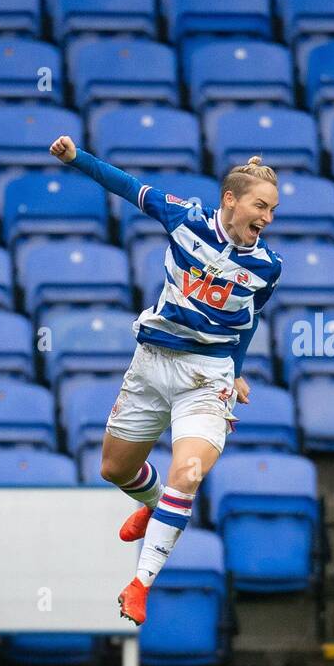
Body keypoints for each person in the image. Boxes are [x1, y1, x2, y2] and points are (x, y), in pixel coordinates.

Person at [49, 134, 282, 627]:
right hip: (151, 362)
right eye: (259, 206)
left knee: (188, 474)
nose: (266, 219)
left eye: (272, 211)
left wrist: (234, 373)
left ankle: (140, 584)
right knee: (114, 468)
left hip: (206, 377)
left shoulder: (267, 266)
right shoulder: (184, 218)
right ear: (230, 200)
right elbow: (127, 186)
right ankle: (155, 507)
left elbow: (248, 319)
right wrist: (76, 159)